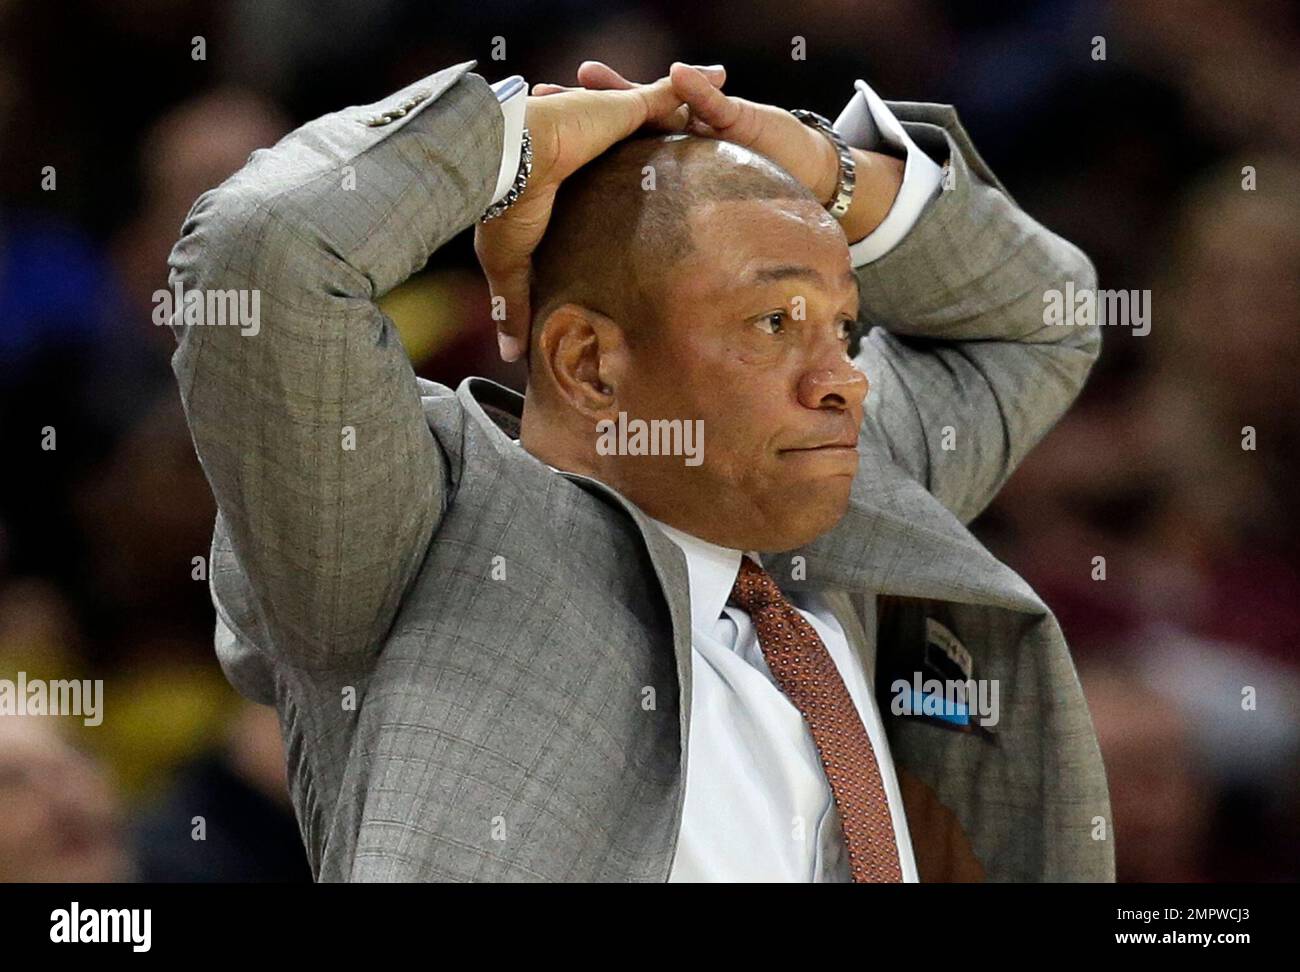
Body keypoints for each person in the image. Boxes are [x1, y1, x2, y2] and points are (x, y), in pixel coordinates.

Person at [167, 58, 1111, 882]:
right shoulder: (427, 527)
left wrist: (823, 171)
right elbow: (263, 251)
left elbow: (1046, 314)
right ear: (588, 365)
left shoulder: (844, 503)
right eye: (774, 321)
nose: (845, 381)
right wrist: (512, 147)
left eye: (844, 326)